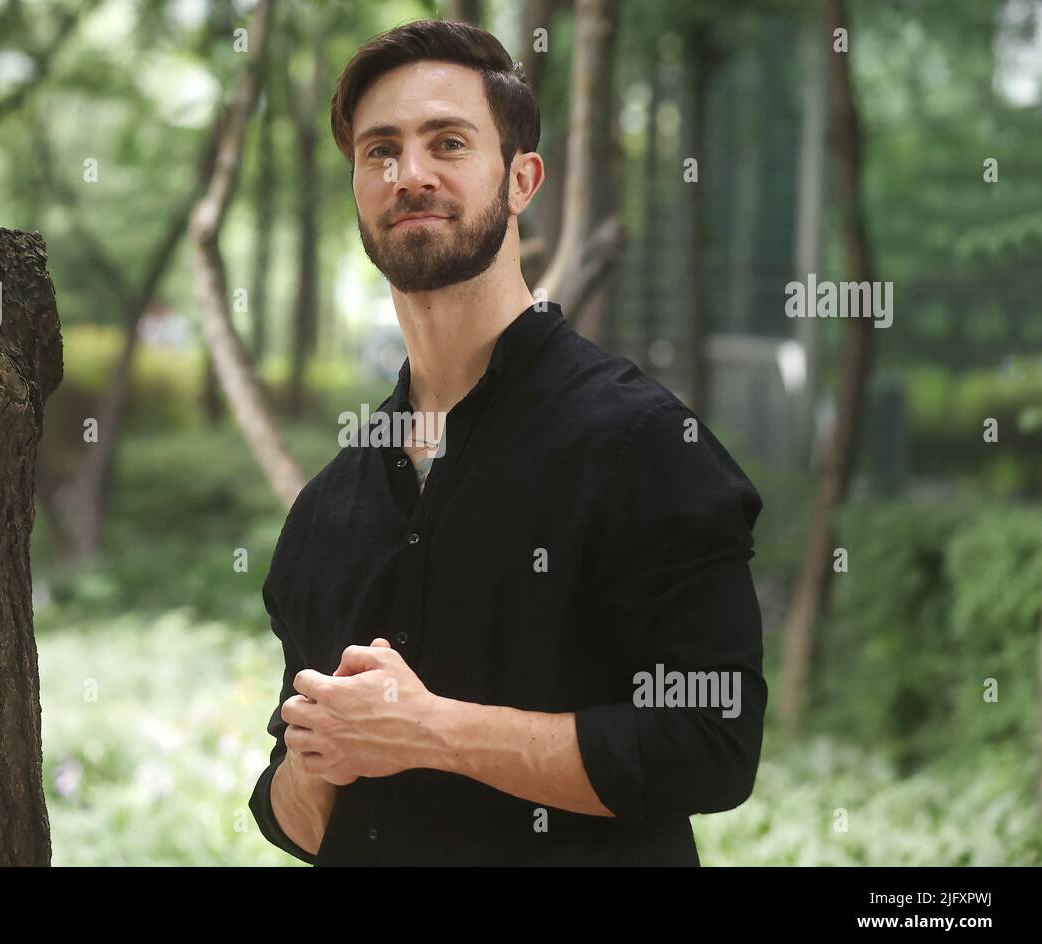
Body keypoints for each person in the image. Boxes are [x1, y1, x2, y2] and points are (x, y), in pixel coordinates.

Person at [248, 18, 766, 865]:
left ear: (522, 179)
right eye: (380, 152)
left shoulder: (644, 444)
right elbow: (294, 817)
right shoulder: (326, 509)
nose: (410, 174)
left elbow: (713, 744)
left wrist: (429, 730)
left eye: (447, 143)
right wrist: (318, 759)